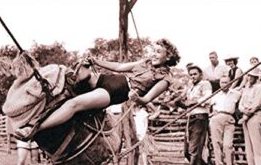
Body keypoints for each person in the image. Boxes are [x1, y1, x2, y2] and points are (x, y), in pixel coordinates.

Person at [14, 38, 181, 140]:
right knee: (73, 74)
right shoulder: (145, 62)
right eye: (154, 50)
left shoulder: (165, 79)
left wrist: (137, 97)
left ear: (168, 57)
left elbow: (146, 99)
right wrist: (96, 61)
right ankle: (38, 105)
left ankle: (35, 128)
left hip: (118, 92)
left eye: (158, 52)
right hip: (110, 79)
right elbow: (120, 66)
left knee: (74, 104)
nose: (153, 53)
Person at [173, 64, 214, 165]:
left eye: (195, 74)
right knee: (187, 152)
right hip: (190, 118)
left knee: (194, 150)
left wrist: (193, 102)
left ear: (200, 74)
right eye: (191, 75)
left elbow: (208, 98)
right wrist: (177, 101)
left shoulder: (205, 84)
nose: (193, 76)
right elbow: (183, 99)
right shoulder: (190, 86)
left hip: (200, 117)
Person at [209, 75, 241, 165]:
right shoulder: (216, 95)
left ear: (231, 83)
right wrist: (211, 114)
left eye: (227, 82)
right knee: (217, 143)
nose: (224, 84)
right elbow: (207, 105)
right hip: (216, 118)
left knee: (228, 145)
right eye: (222, 82)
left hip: (229, 118)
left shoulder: (236, 94)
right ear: (219, 83)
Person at [238, 68, 261, 165]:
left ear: (257, 77)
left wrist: (246, 116)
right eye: (249, 76)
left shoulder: (260, 88)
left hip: (255, 116)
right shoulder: (246, 88)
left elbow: (256, 104)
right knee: (248, 144)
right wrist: (243, 111)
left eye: (252, 76)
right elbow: (240, 104)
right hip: (246, 116)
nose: (250, 78)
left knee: (257, 143)